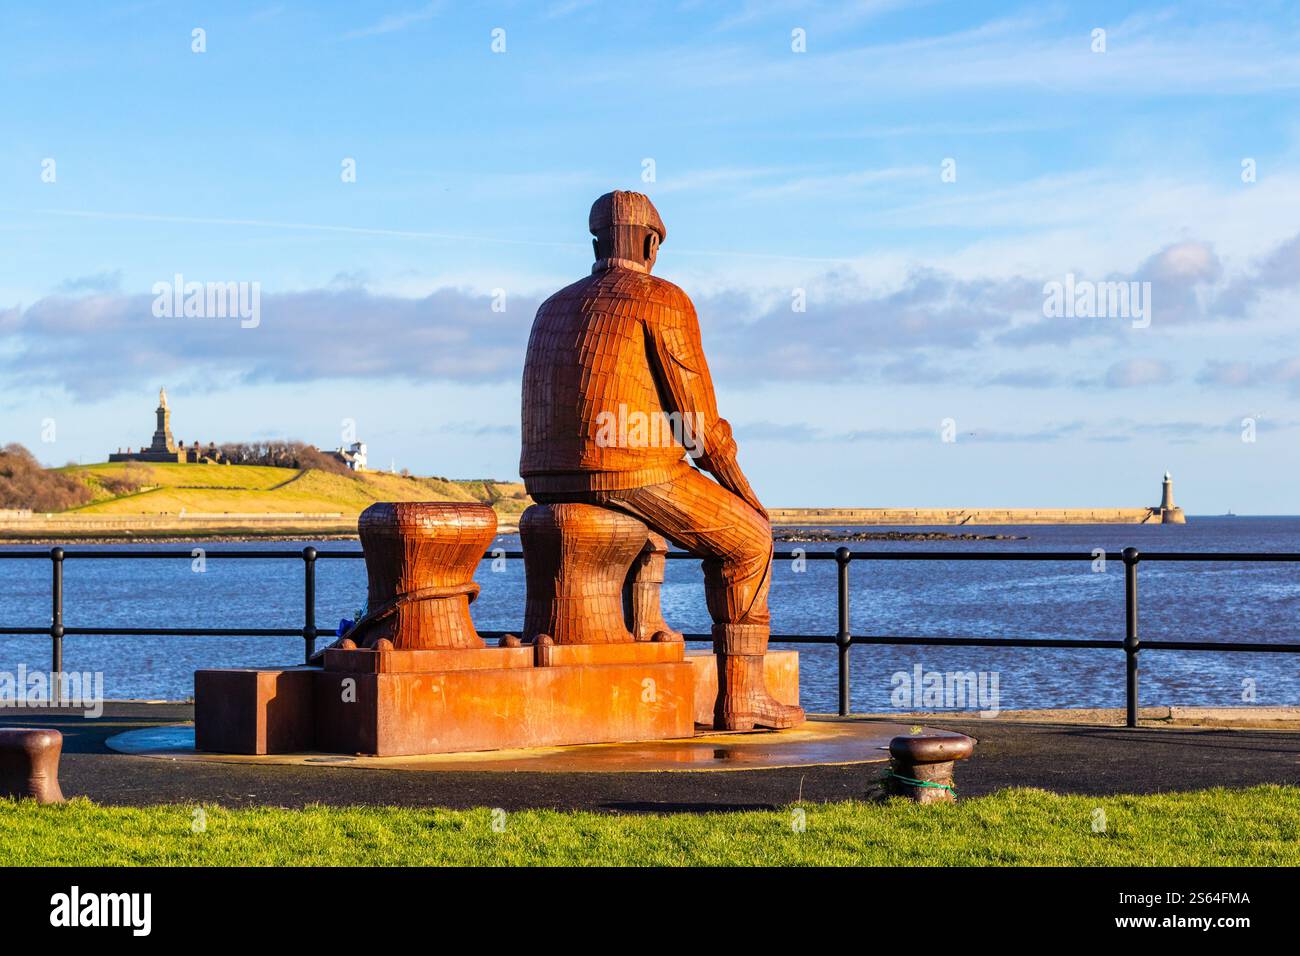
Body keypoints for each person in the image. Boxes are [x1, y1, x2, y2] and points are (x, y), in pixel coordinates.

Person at [520, 190, 804, 730]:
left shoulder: (552, 305)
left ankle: (646, 626)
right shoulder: (661, 298)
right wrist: (747, 497)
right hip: (631, 469)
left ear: (597, 239)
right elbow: (698, 426)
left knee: (652, 522)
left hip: (546, 475)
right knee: (749, 543)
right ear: (650, 242)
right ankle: (743, 700)